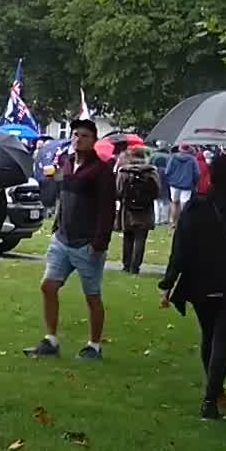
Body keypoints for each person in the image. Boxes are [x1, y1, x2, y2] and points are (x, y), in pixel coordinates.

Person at [158, 155, 226, 420]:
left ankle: (213, 392)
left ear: (210, 176)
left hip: (200, 280)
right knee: (223, 339)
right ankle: (211, 396)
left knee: (209, 335)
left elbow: (180, 249)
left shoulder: (195, 208)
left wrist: (168, 282)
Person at [25, 120, 116, 360]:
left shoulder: (102, 171)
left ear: (94, 140)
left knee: (92, 295)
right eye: (75, 135)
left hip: (87, 243)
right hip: (62, 240)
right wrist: (57, 224)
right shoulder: (67, 163)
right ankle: (51, 340)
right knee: (48, 286)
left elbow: (107, 210)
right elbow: (64, 198)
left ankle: (94, 346)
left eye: (84, 136)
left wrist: (99, 243)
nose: (78, 139)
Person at [115, 144, 165, 274]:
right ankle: (135, 267)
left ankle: (126, 265)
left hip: (128, 210)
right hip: (145, 209)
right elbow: (157, 191)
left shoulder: (124, 171)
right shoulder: (151, 172)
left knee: (128, 237)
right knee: (140, 238)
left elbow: (118, 191)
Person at [163, 145, 199, 226]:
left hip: (174, 183)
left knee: (174, 202)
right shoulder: (193, 159)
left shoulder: (173, 157)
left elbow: (167, 171)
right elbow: (197, 173)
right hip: (187, 184)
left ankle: (173, 221)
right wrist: (195, 182)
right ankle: (182, 221)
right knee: (184, 204)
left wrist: (170, 179)